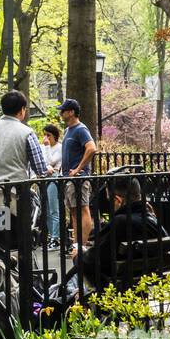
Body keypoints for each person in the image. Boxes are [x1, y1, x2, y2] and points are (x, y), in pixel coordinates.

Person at [71, 175, 165, 294]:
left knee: (78, 265)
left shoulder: (121, 222)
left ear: (118, 200)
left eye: (109, 199)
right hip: (144, 285)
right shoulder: (153, 222)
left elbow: (91, 262)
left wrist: (77, 256)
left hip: (116, 290)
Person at [59, 99, 98, 247]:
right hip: (69, 178)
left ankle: (81, 245)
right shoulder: (68, 130)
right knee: (74, 212)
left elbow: (91, 148)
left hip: (79, 178)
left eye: (63, 111)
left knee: (83, 209)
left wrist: (78, 168)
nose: (61, 113)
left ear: (71, 112)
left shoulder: (81, 129)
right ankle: (77, 245)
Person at [41, 124, 62, 247]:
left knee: (54, 208)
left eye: (48, 135)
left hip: (54, 177)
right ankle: (51, 236)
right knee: (46, 210)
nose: (46, 138)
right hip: (44, 177)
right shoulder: (43, 147)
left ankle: (56, 238)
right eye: (44, 135)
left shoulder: (59, 147)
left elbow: (50, 161)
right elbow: (42, 162)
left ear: (55, 136)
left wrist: (48, 147)